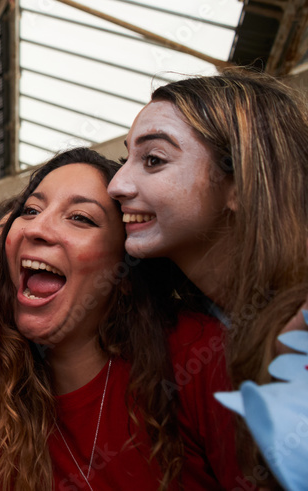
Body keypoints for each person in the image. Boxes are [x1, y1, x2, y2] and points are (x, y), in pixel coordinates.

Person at [0, 147, 245, 490]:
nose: (36, 228)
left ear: (125, 273)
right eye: (30, 210)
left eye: (80, 218)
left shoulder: (199, 358)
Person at [107, 70, 308, 484]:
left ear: (236, 181)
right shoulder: (182, 333)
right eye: (126, 158)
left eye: (154, 160)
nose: (116, 184)